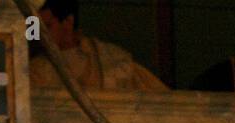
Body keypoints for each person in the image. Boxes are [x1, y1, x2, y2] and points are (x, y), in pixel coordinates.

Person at [29, 0, 168, 91]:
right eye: (34, 27)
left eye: (47, 26)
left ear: (67, 22)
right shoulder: (34, 68)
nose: (39, 34)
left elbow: (159, 97)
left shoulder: (111, 58)